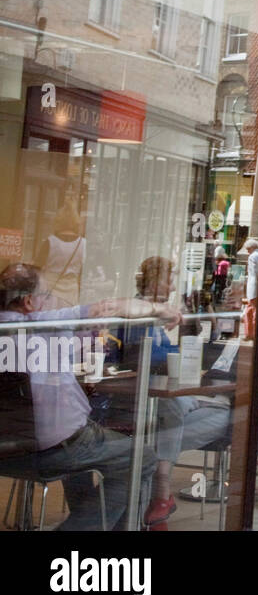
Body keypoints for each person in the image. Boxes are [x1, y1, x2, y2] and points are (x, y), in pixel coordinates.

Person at [0, 262, 180, 530]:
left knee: (87, 460)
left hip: (8, 449)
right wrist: (160, 308)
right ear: (28, 302)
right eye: (46, 295)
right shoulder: (46, 323)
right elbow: (111, 306)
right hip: (52, 448)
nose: (50, 301)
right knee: (140, 457)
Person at [129, 257, 231, 529]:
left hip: (160, 401)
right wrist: (182, 355)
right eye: (169, 279)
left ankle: (156, 467)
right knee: (205, 411)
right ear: (153, 281)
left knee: (219, 411)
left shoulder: (151, 311)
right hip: (146, 399)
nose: (173, 286)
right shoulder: (137, 312)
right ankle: (161, 489)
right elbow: (142, 354)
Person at [35, 200, 85, 308]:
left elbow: (37, 267)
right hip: (71, 291)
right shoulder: (83, 244)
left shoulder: (50, 242)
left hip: (50, 290)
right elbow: (83, 271)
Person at [210, 246, 230, 312]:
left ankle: (217, 299)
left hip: (219, 278)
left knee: (218, 289)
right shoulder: (226, 262)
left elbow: (218, 273)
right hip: (223, 278)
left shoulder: (221, 263)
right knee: (221, 289)